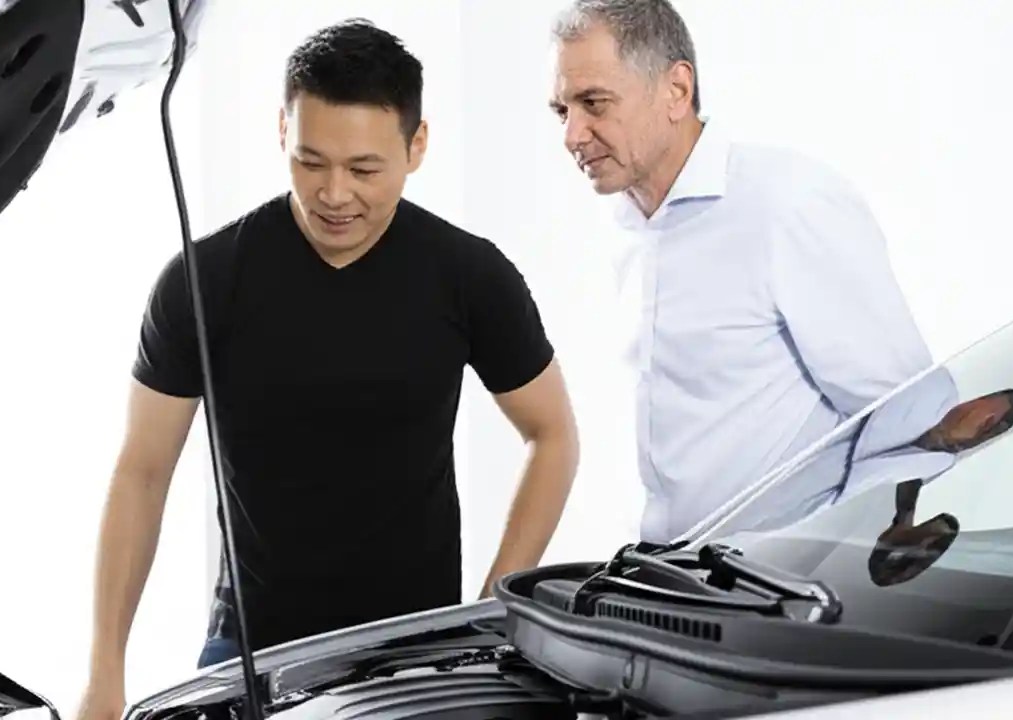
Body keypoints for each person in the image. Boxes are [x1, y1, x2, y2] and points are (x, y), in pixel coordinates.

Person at [74, 18, 579, 720]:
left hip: (418, 649)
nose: (335, 193)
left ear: (417, 146)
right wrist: (104, 673)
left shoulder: (470, 276)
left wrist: (492, 605)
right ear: (282, 129)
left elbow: (551, 434)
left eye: (365, 169)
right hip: (249, 652)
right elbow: (142, 472)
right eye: (311, 161)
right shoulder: (203, 280)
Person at [546, 0, 934, 546]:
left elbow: (909, 413)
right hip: (667, 578)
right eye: (561, 111)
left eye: (593, 103)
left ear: (676, 90)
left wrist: (846, 563)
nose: (572, 135)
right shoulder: (626, 231)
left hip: (780, 591)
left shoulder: (788, 203)